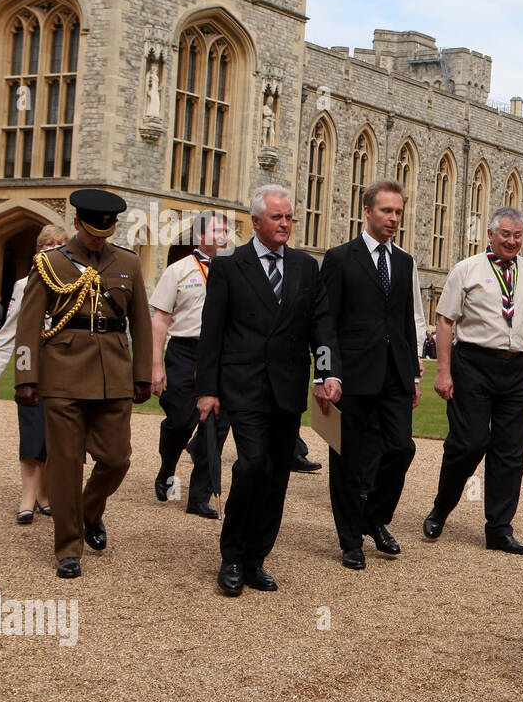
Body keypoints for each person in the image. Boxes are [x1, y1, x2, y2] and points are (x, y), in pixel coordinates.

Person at [195, 185, 341, 596]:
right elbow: (212, 333)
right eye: (277, 218)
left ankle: (257, 558)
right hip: (242, 385)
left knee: (277, 473)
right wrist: (207, 389)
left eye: (289, 217)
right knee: (253, 465)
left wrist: (328, 373)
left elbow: (322, 326)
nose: (285, 224)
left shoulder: (304, 267)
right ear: (256, 222)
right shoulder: (229, 266)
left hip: (287, 386)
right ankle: (232, 556)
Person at [13, 190, 154, 578]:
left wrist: (142, 374)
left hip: (114, 376)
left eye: (105, 231)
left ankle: (90, 511)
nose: (98, 238)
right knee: (65, 465)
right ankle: (67, 548)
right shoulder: (49, 263)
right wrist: (26, 377)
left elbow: (140, 322)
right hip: (62, 374)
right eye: (93, 231)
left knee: (116, 459)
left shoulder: (127, 261)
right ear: (77, 223)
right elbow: (28, 326)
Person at [422, 207, 523, 555]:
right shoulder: (467, 270)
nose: (512, 241)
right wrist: (443, 371)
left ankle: (498, 528)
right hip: (473, 364)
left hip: (516, 368)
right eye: (505, 234)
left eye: (517, 235)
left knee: (511, 451)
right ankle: (442, 507)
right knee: (468, 443)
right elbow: (445, 321)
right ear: (491, 235)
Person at [320, 180, 425, 570]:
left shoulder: (404, 262)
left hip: (394, 374)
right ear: (367, 211)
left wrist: (413, 374)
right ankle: (350, 539)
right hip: (351, 374)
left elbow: (405, 321)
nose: (394, 219)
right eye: (387, 211)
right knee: (347, 457)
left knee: (401, 448)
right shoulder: (340, 258)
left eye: (398, 212)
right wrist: (326, 372)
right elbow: (325, 321)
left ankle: (374, 516)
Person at [151, 210, 234, 518]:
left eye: (226, 230)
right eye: (217, 230)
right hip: (185, 350)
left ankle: (198, 497)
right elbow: (160, 319)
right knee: (181, 420)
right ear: (200, 236)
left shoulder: (234, 270)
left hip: (223, 355)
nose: (224, 236)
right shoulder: (179, 270)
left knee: (217, 423)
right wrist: (156, 365)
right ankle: (168, 468)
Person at [0, 224, 66, 524]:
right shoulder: (23, 285)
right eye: (48, 243)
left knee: (55, 435)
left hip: (64, 365)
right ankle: (27, 497)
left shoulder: (76, 281)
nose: (54, 247)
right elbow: (10, 331)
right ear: (38, 248)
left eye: (59, 242)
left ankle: (45, 494)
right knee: (31, 433)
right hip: (31, 361)